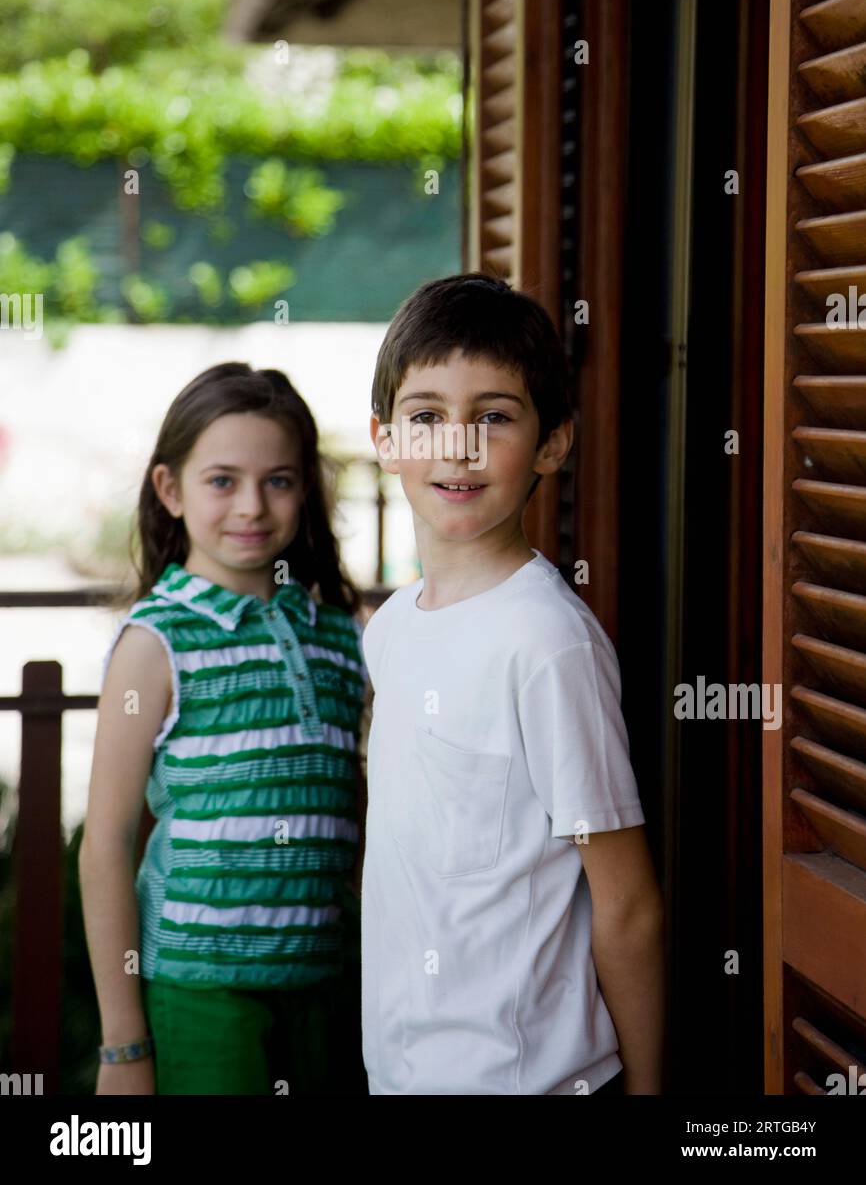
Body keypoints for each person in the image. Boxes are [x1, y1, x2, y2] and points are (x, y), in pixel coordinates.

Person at [361, 274, 665, 1095]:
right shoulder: (389, 630)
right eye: (427, 417)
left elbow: (627, 901)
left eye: (492, 417)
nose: (457, 447)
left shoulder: (546, 641)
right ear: (385, 440)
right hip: (402, 1074)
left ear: (552, 444)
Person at [79, 362, 370, 1095]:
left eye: (279, 479)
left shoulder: (342, 637)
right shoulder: (154, 644)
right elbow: (107, 843)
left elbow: (356, 815)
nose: (252, 506)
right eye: (222, 481)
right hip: (199, 994)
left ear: (307, 488)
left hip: (327, 988)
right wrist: (123, 1046)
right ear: (170, 490)